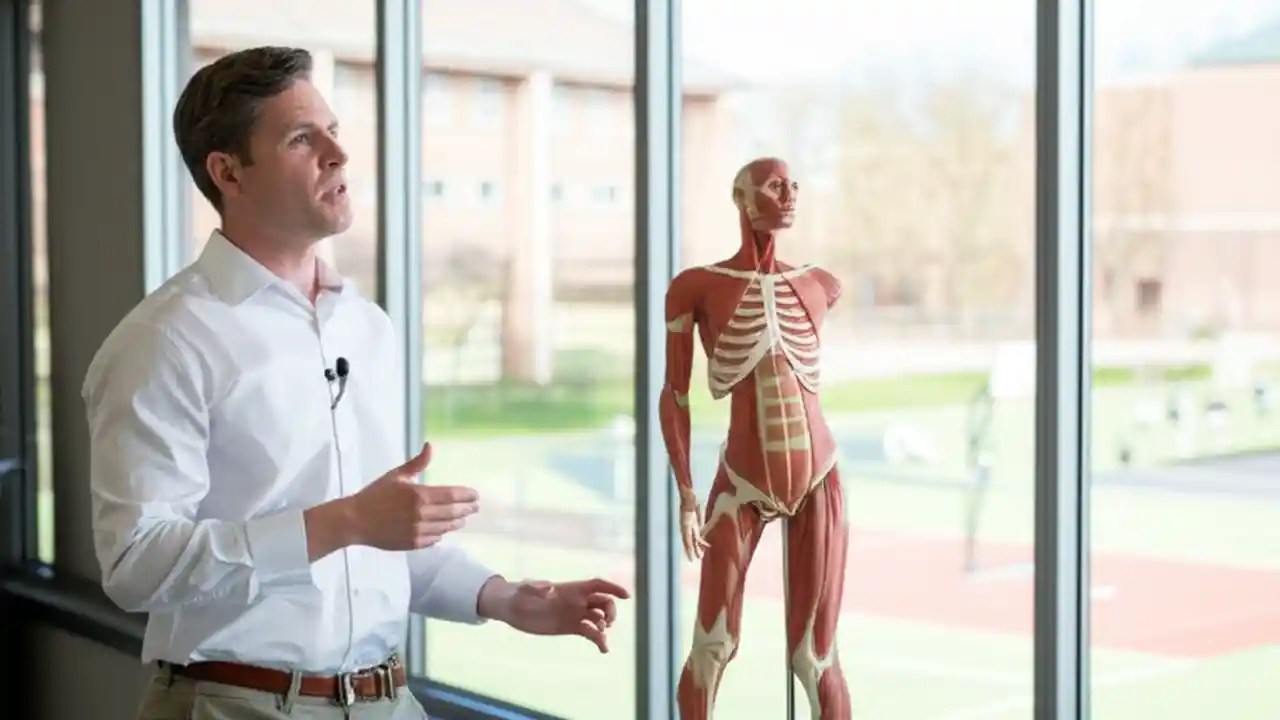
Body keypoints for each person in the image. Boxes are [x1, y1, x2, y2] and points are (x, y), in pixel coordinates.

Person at [82, 45, 628, 720]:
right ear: (228, 172)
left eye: (334, 132)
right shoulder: (162, 341)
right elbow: (137, 566)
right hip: (233, 706)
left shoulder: (367, 327)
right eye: (300, 139)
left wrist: (506, 598)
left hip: (386, 701)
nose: (338, 155)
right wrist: (342, 521)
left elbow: (380, 536)